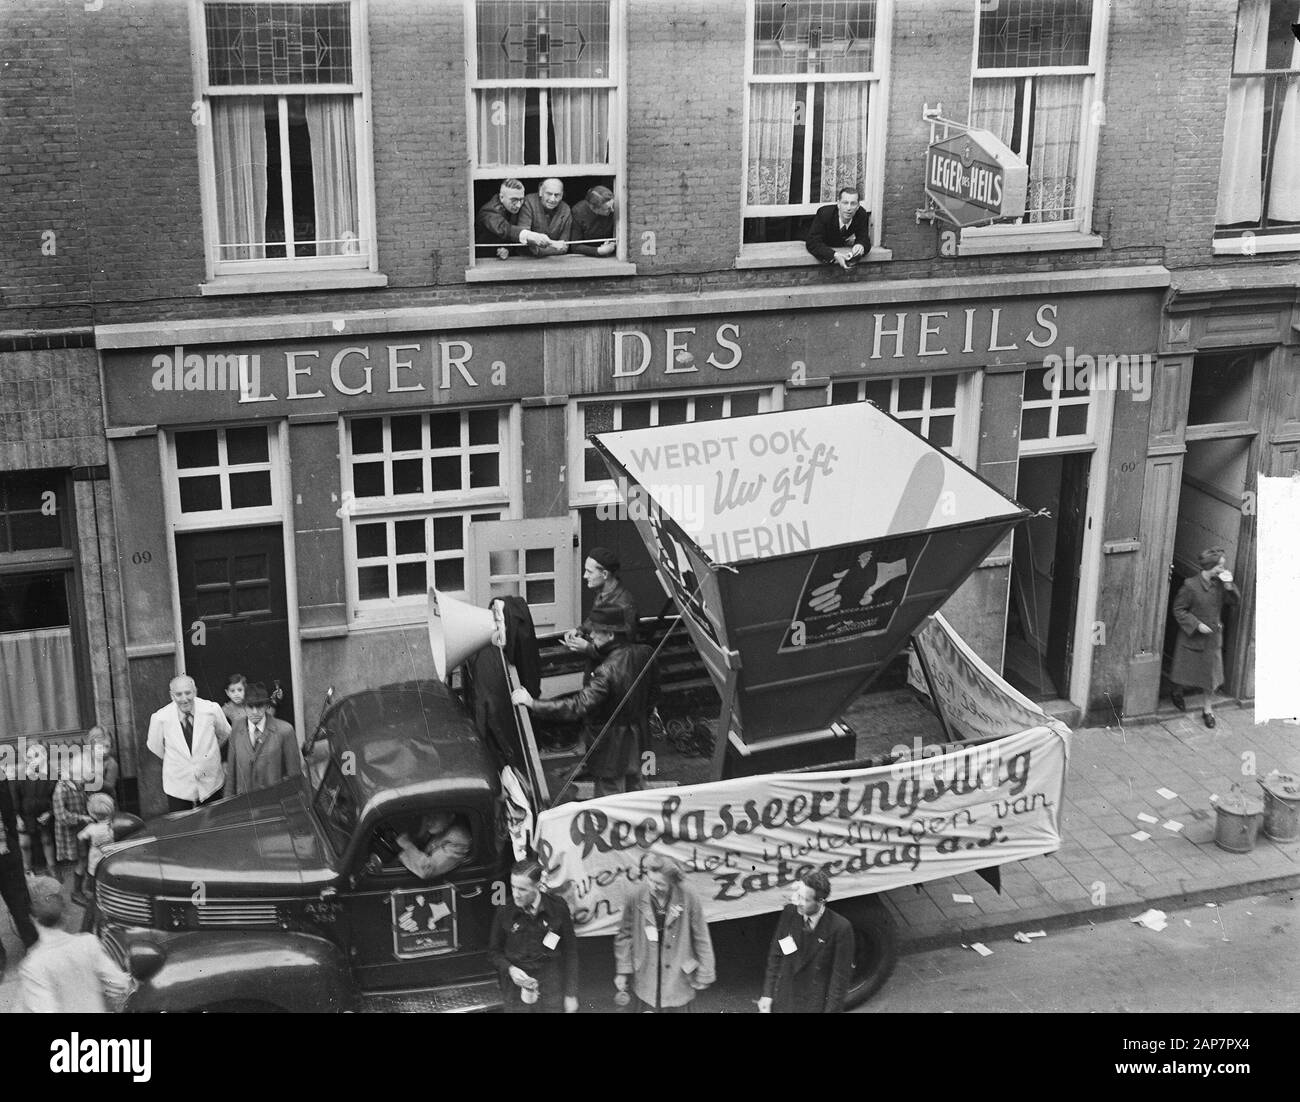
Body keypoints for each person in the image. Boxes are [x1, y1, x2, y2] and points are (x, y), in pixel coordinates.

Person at [512, 606, 657, 797]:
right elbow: (654, 694)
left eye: (596, 631)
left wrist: (533, 703)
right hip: (640, 738)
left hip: (610, 749)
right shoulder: (645, 653)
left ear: (611, 635)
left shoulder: (605, 672)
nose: (592, 635)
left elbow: (577, 705)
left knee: (609, 799)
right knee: (637, 792)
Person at [614, 854, 715, 1013]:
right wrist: (623, 970)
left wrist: (705, 973)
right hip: (645, 976)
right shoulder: (636, 894)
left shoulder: (688, 895)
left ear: (673, 883)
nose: (653, 887)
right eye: (650, 880)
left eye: (660, 884)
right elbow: (624, 935)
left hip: (678, 977)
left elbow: (701, 936)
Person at [19, 875, 132, 1013]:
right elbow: (119, 983)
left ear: (33, 919)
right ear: (66, 916)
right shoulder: (88, 942)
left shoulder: (33, 965)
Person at [487, 858, 579, 1013]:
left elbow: (571, 952)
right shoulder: (505, 911)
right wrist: (510, 969)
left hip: (550, 987)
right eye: (513, 887)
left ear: (537, 886)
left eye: (522, 889)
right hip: (516, 990)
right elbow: (493, 953)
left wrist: (571, 994)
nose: (516, 894)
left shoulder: (557, 908)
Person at [758, 869, 854, 1014]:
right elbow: (776, 955)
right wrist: (767, 994)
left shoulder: (840, 928)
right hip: (785, 999)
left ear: (821, 902)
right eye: (797, 895)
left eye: (805, 899)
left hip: (814, 1004)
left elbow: (839, 981)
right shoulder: (790, 912)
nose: (797, 902)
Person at [1169, 547, 1240, 728]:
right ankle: (1176, 692)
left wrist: (1229, 585)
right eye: (1220, 566)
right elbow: (1179, 609)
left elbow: (1234, 602)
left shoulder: (1220, 585)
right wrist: (1197, 624)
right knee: (1184, 671)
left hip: (1213, 639)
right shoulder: (1190, 586)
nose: (1223, 569)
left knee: (1211, 677)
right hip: (1192, 637)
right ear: (1210, 566)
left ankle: (1208, 710)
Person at [146, 674, 231, 812]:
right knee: (181, 825)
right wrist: (179, 760)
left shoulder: (211, 709)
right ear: (171, 695)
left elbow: (225, 733)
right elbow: (155, 746)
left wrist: (208, 753)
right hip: (178, 784)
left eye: (188, 693)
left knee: (213, 822)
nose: (184, 699)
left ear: (195, 691)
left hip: (210, 780)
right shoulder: (160, 717)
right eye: (178, 694)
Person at [224, 681, 303, 798]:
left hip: (273, 805)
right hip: (245, 804)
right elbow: (231, 776)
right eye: (250, 706)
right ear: (244, 706)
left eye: (259, 706)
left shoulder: (285, 730)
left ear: (266, 706)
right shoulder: (236, 729)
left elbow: (294, 776)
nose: (255, 711)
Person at [564, 546, 639, 657]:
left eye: (589, 572)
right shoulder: (603, 592)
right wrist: (580, 630)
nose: (585, 576)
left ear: (604, 574)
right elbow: (597, 619)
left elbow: (623, 654)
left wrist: (587, 648)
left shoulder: (625, 607)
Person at [0, 772, 39, 982]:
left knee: (20, 903)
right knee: (19, 902)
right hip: (5, 847)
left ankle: (33, 945)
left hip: (6, 852)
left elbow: (8, 812)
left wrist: (12, 844)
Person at [475, 178, 554, 259]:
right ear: (501, 197)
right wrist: (531, 236)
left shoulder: (514, 206)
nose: (518, 205)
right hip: (484, 259)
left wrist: (507, 249)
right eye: (514, 200)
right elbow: (505, 229)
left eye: (521, 199)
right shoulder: (488, 212)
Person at [51, 761, 91, 904]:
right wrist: (82, 818)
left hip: (81, 829)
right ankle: (77, 892)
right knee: (82, 859)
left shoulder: (78, 785)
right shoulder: (61, 789)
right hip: (71, 832)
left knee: (85, 858)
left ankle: (85, 887)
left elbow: (85, 802)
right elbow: (61, 816)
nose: (85, 780)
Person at [805, 185, 872, 270]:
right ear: (838, 204)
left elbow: (864, 238)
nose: (849, 208)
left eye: (853, 204)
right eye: (845, 203)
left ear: (858, 206)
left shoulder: (861, 214)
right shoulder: (825, 214)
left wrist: (860, 246)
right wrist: (834, 255)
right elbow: (812, 242)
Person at [394, 810, 473, 881]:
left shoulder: (458, 838)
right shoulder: (440, 830)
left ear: (450, 817)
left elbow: (427, 871)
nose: (429, 822)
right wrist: (421, 833)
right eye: (427, 817)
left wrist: (407, 845)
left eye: (435, 817)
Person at [518, 178, 572, 257]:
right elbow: (523, 237)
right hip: (525, 259)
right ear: (540, 192)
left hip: (554, 261)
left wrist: (538, 250)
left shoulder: (565, 209)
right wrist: (554, 246)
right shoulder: (529, 202)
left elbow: (564, 247)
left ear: (562, 195)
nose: (553, 199)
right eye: (549, 194)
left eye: (557, 195)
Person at [569, 185, 617, 256]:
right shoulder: (578, 212)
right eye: (608, 209)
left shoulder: (612, 210)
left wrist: (612, 242)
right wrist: (598, 251)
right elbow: (575, 246)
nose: (612, 210)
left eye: (612, 206)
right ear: (593, 208)